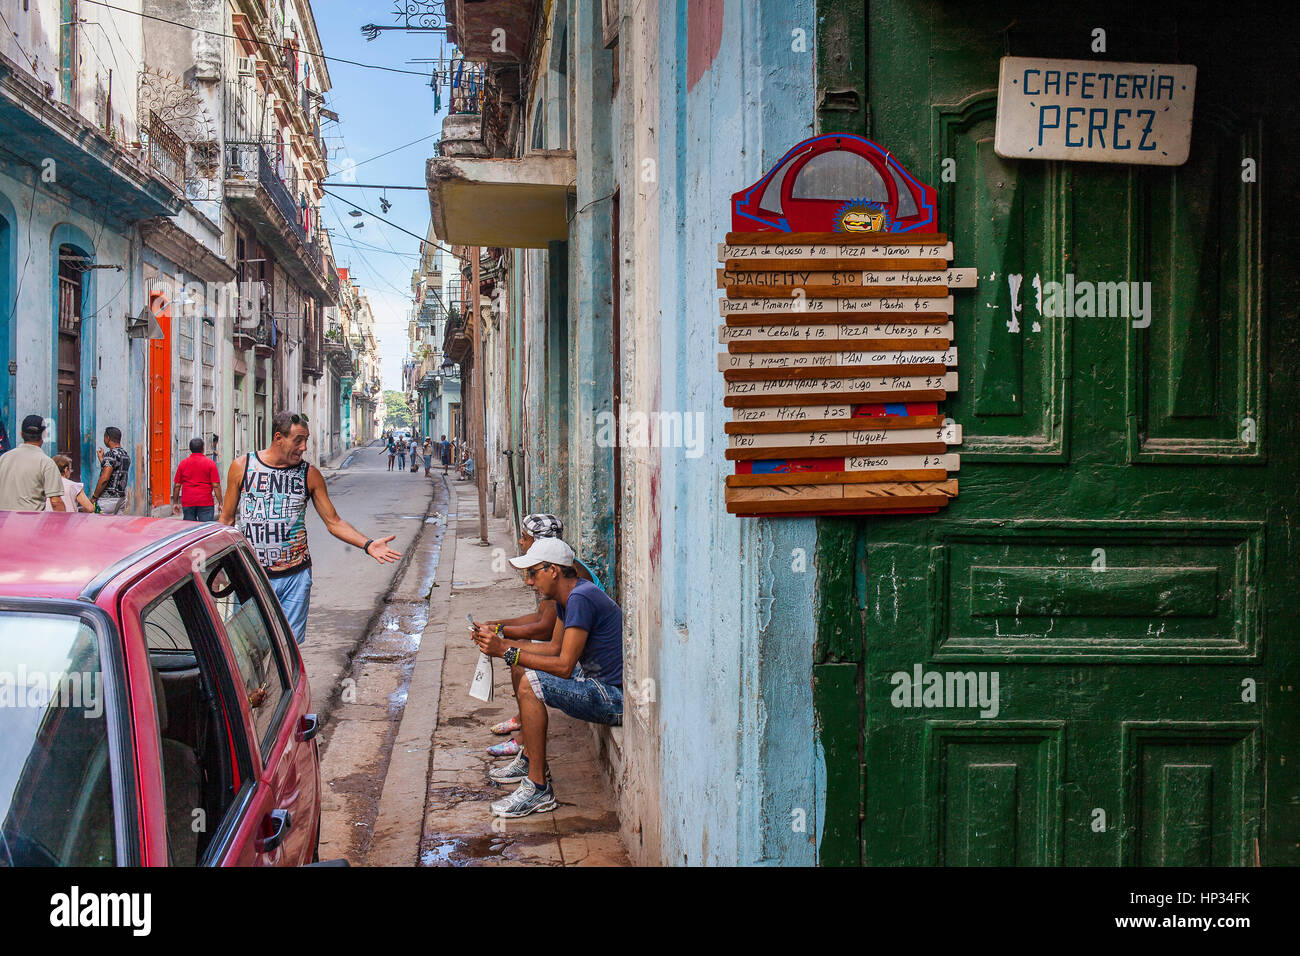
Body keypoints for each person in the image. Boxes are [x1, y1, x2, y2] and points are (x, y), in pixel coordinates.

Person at [219, 410, 402, 644]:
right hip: (250, 575)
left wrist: (368, 544)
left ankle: (288, 683)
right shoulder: (242, 467)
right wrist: (218, 566)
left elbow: (333, 522)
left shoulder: (310, 475)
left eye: (306, 440)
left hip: (295, 576)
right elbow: (226, 521)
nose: (304, 447)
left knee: (290, 647)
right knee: (249, 647)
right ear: (278, 438)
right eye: (298, 440)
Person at [473, 537, 624, 818]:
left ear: (553, 570)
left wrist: (505, 650)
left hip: (613, 697)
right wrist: (501, 641)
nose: (530, 582)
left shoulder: (580, 598)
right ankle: (530, 756)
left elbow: (564, 666)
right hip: (594, 681)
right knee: (522, 668)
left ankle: (539, 787)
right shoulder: (569, 597)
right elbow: (554, 648)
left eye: (533, 573)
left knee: (531, 682)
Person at [0, 415, 66, 511]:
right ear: (44, 434)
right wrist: (62, 524)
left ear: (21, 434)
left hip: (4, 522)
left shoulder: (4, 458)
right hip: (31, 523)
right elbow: (55, 502)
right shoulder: (46, 463)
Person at [172, 437, 222, 521]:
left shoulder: (183, 463)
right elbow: (216, 485)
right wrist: (220, 503)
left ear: (190, 449)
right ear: (203, 448)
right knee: (205, 529)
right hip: (205, 501)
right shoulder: (210, 463)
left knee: (190, 529)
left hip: (188, 501)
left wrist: (175, 502)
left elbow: (177, 485)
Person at [91, 426, 130, 515]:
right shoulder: (125, 455)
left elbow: (105, 478)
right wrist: (102, 460)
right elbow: (115, 471)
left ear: (108, 438)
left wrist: (94, 496)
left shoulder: (111, 454)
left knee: (100, 525)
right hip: (121, 498)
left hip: (107, 499)